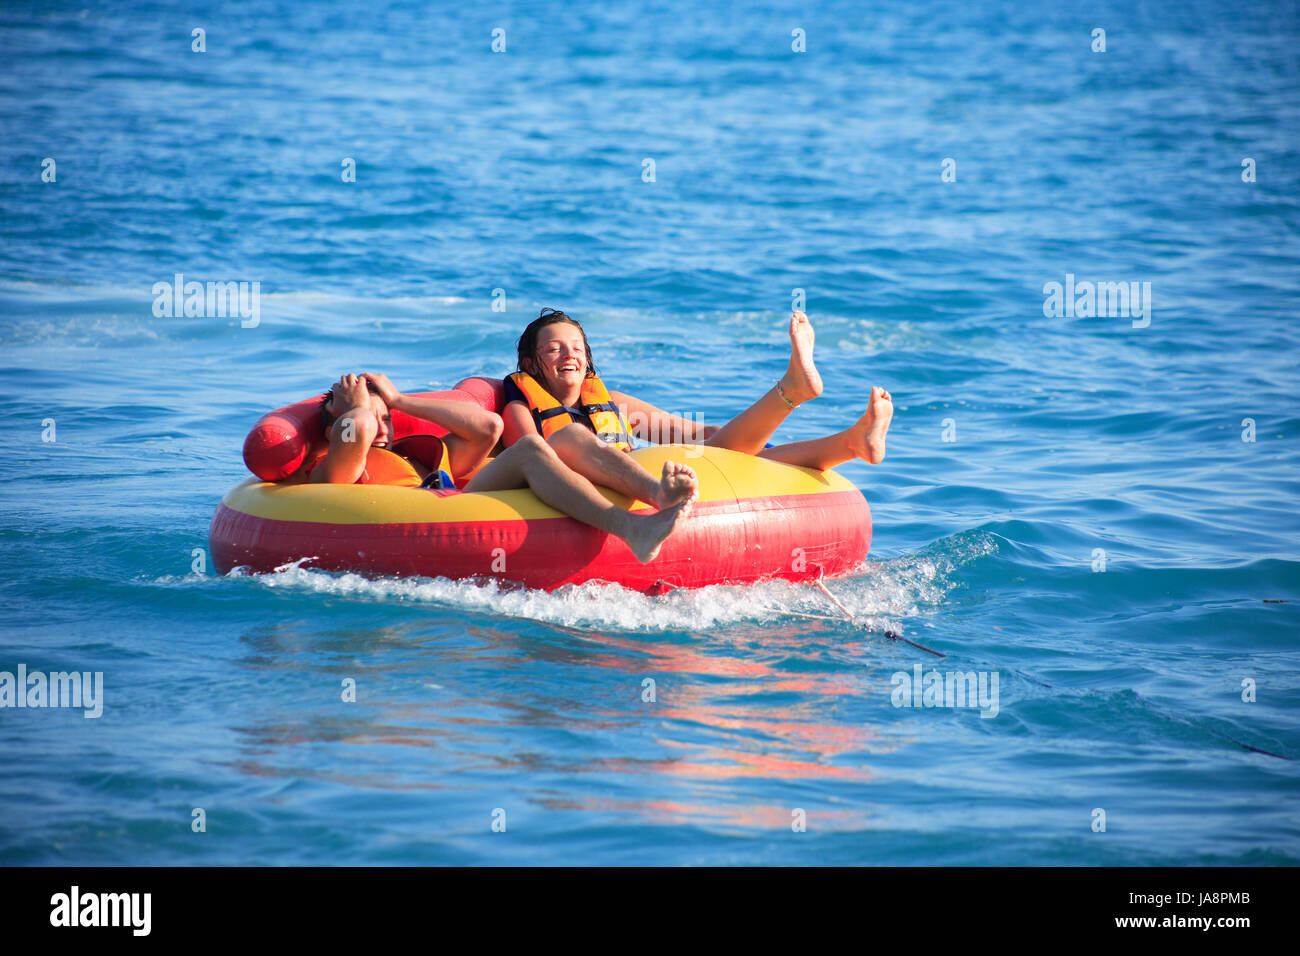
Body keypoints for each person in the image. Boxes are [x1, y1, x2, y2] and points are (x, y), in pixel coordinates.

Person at [496, 307, 894, 509]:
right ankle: (837, 433)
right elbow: (534, 459)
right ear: (530, 364)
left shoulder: (612, 402)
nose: (569, 356)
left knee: (724, 444)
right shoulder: (523, 408)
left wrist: (727, 441)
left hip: (646, 474)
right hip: (607, 488)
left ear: (588, 360)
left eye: (577, 349)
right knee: (725, 446)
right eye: (554, 349)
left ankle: (847, 437)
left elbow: (686, 433)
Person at [311, 372, 695, 564]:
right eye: (369, 416)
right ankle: (630, 528)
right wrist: (357, 407)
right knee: (529, 449)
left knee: (570, 436)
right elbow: (356, 431)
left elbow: (488, 427)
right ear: (333, 430)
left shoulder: (418, 456)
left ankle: (657, 494)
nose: (380, 427)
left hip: (456, 503)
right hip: (423, 530)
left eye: (387, 419)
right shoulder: (335, 468)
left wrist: (397, 400)